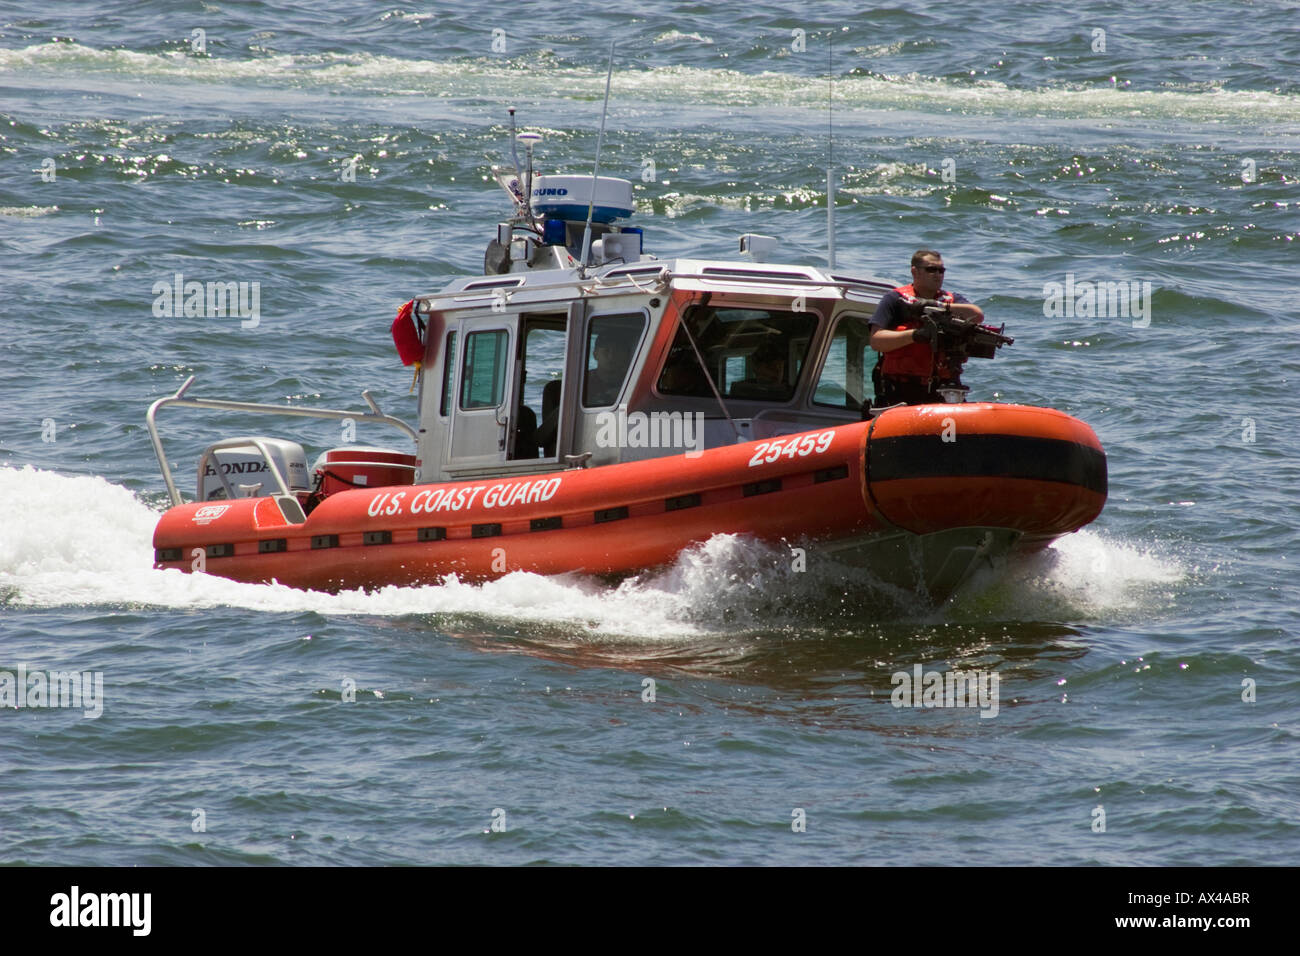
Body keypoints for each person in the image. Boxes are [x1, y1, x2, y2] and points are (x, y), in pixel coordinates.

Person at [869, 250, 984, 406]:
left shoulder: (952, 301)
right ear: (914, 271)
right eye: (931, 269)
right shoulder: (895, 300)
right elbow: (876, 341)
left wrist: (938, 306)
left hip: (943, 388)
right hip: (902, 389)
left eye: (941, 270)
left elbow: (977, 315)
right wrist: (916, 335)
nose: (937, 275)